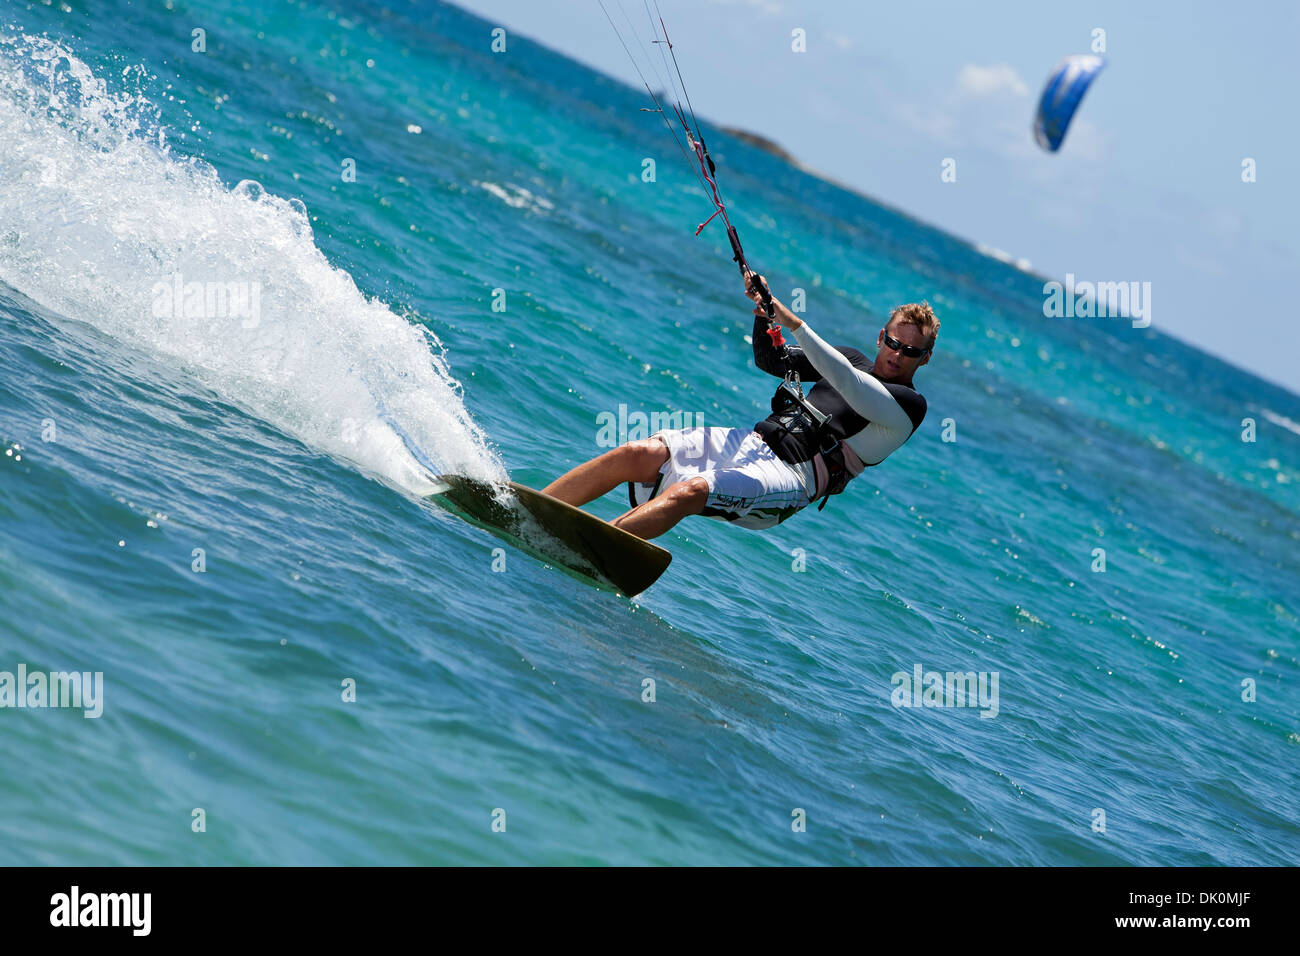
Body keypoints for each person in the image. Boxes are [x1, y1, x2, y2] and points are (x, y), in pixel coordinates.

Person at [541, 272, 936, 540]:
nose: (898, 356)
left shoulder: (908, 407)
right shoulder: (848, 357)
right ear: (881, 336)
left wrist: (792, 320)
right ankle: (535, 510)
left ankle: (594, 544)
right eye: (894, 343)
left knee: (688, 493)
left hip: (791, 479)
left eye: (911, 352)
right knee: (638, 452)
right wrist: (765, 314)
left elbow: (854, 387)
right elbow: (771, 360)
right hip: (752, 443)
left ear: (925, 358)